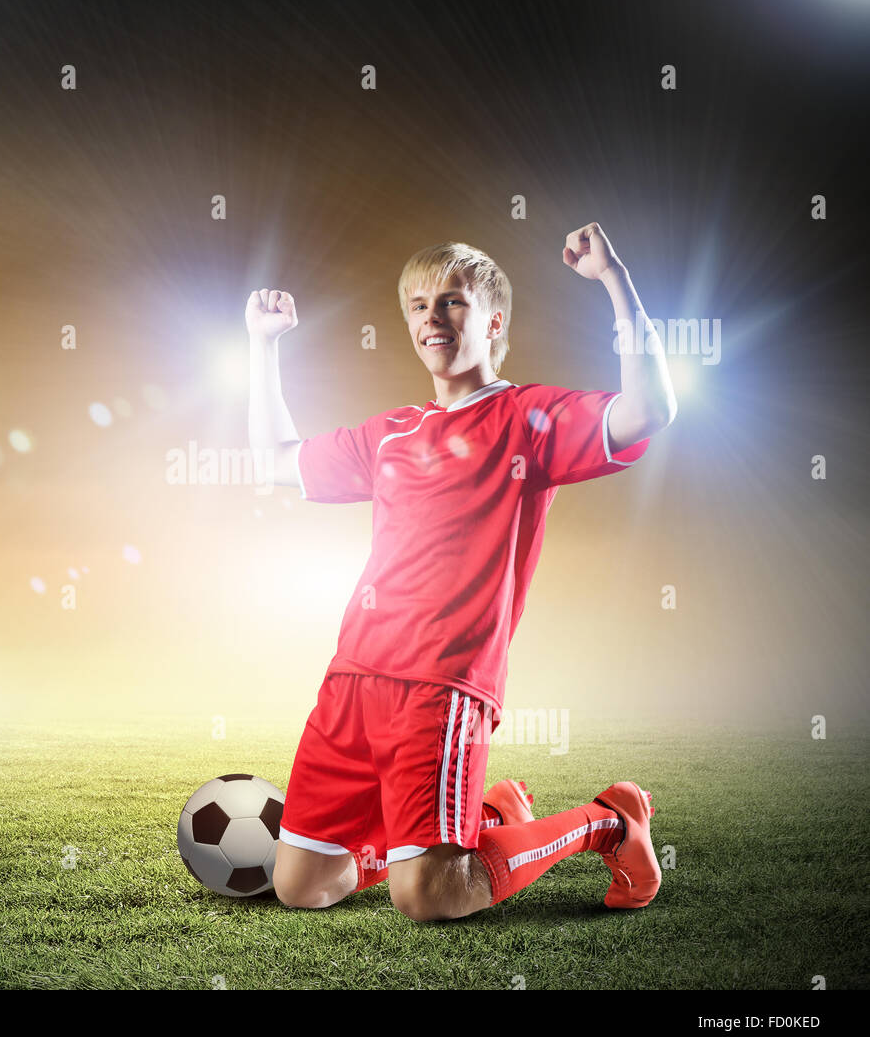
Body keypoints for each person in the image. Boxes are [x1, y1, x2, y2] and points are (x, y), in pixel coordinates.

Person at [246, 223, 676, 921]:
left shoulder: (528, 418)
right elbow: (272, 461)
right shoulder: (390, 432)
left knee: (426, 900)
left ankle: (609, 821)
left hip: (440, 687)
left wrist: (615, 282)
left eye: (451, 301)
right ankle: (483, 816)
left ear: (493, 319)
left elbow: (649, 411)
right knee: (302, 887)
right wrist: (263, 346)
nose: (431, 317)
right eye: (417, 305)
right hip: (352, 679)